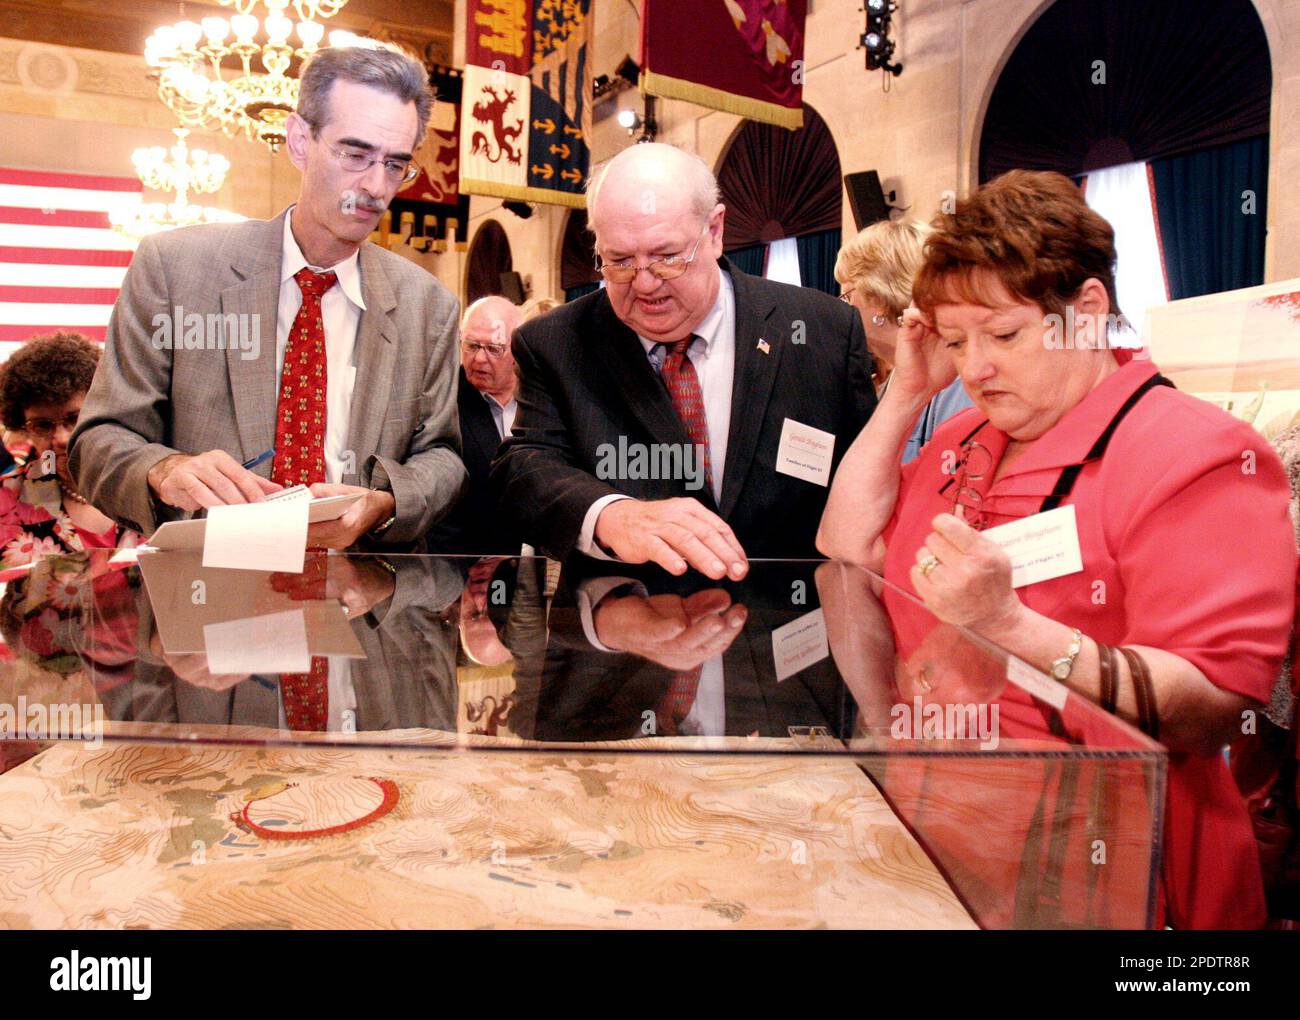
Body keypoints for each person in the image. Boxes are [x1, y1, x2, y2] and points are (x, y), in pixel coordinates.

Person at [817, 170, 1297, 929]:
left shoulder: (1198, 454)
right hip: (948, 834)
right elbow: (844, 546)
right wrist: (907, 393)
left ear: (1087, 311)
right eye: (955, 341)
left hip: (1112, 860)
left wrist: (1010, 626)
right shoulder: (966, 433)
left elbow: (1210, 710)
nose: (974, 368)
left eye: (1002, 335)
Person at [69, 42, 467, 548]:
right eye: (355, 153)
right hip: (204, 593)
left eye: (394, 164)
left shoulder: (426, 306)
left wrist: (387, 501)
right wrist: (163, 467)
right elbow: (98, 441)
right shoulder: (174, 269)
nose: (374, 185)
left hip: (354, 601)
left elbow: (443, 458)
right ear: (300, 140)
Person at [492, 142, 875, 576]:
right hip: (627, 621)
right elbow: (523, 468)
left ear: (715, 231)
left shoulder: (824, 330)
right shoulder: (556, 342)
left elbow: (868, 480)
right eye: (619, 261)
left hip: (789, 618)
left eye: (667, 257)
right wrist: (611, 516)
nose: (645, 284)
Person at [834, 220, 972, 462]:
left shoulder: (959, 380)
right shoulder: (893, 379)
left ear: (879, 299)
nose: (841, 309)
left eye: (846, 296)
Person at [0, 332, 138, 566]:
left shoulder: (153, 489)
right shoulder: (6, 501)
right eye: (42, 425)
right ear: (23, 427)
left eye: (74, 418)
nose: (61, 438)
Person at [427, 296, 523, 554]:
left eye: (494, 348)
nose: (479, 358)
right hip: (464, 568)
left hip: (537, 565)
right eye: (471, 346)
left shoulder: (543, 397)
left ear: (520, 348)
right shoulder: (442, 397)